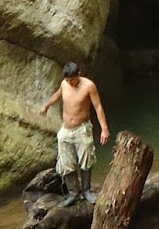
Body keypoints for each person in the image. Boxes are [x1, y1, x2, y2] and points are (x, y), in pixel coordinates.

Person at [40, 61, 109, 204]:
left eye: (72, 79)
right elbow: (57, 95)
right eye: (67, 80)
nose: (70, 83)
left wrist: (104, 129)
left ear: (78, 74)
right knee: (65, 161)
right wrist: (46, 106)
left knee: (86, 159)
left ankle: (87, 191)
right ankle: (73, 193)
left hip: (82, 128)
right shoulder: (64, 84)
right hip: (66, 129)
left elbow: (98, 107)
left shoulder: (88, 86)